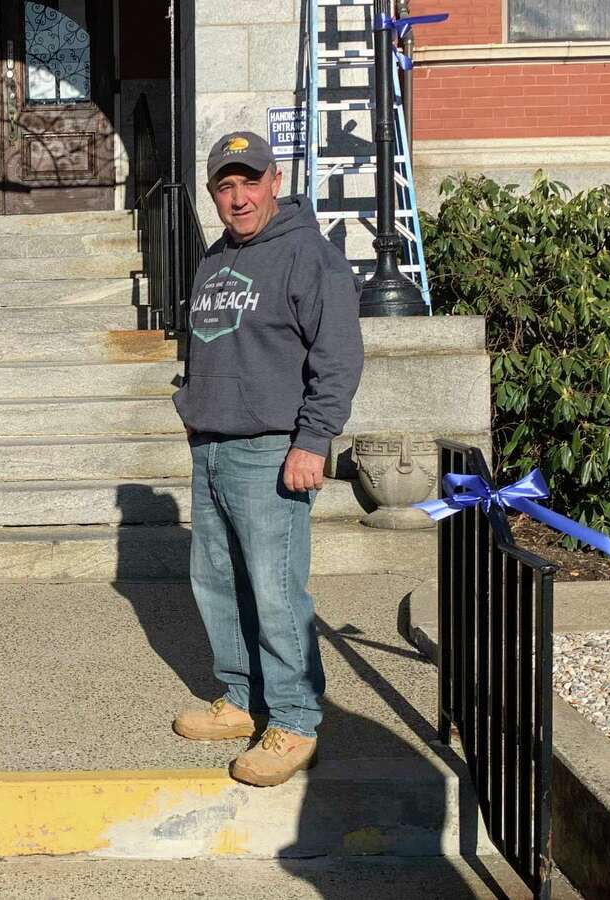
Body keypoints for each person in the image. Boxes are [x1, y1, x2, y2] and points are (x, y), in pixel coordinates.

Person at [171, 132, 363, 786]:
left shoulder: (310, 256)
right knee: (218, 582)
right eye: (224, 186)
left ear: (273, 181)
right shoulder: (216, 258)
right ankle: (243, 697)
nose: (237, 197)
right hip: (213, 446)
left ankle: (294, 718)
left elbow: (337, 357)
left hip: (272, 450)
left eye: (248, 182)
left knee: (276, 592)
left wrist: (314, 439)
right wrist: (191, 407)